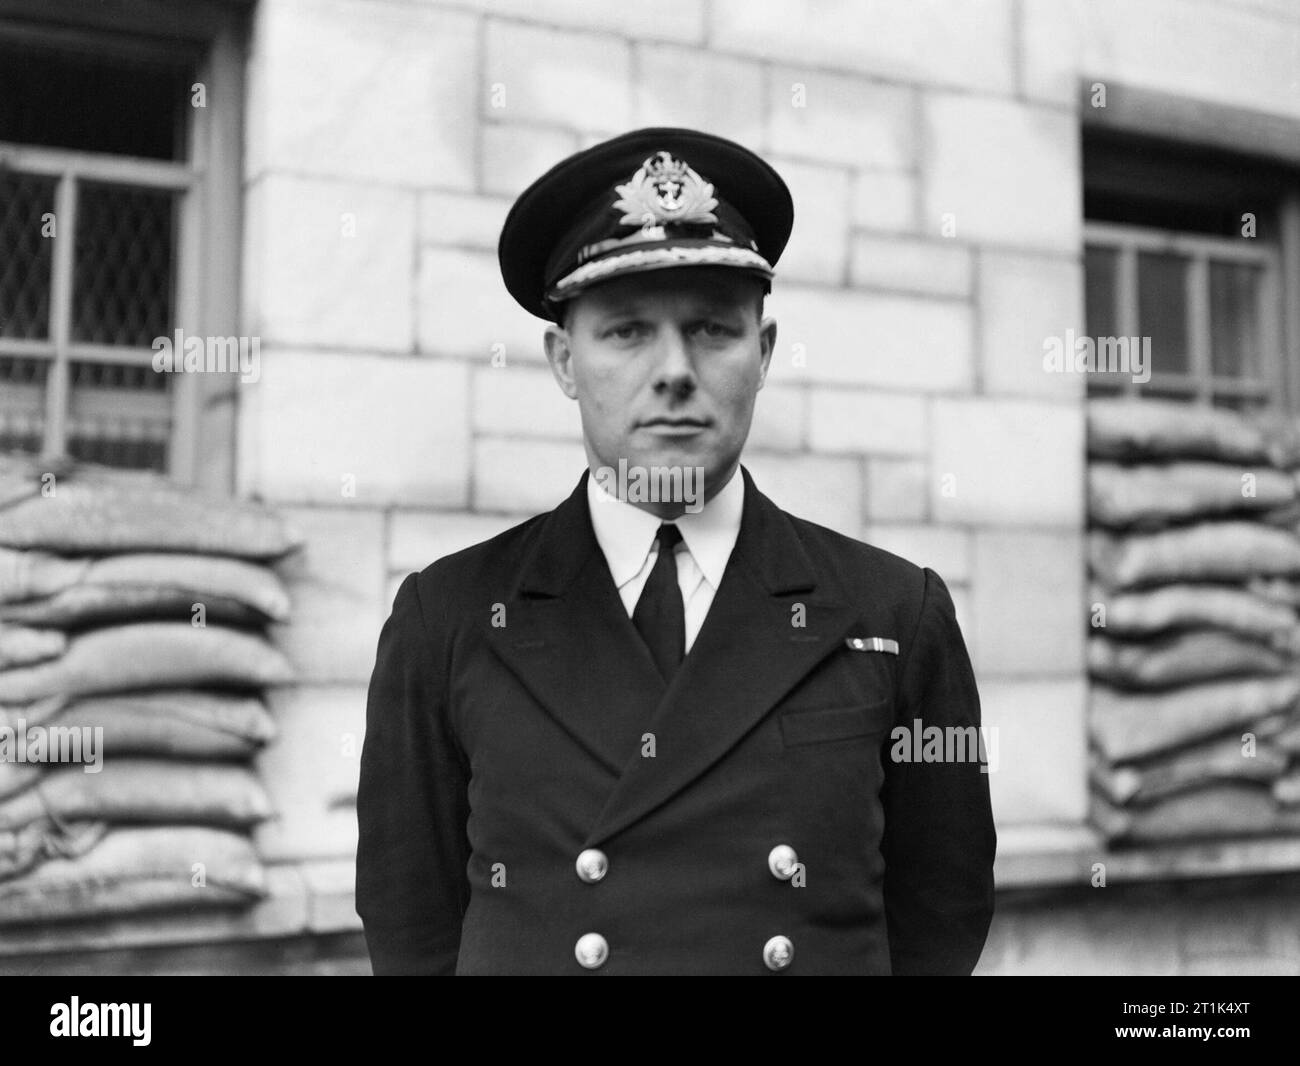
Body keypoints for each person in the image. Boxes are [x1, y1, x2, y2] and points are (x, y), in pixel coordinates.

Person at [356, 127, 996, 975]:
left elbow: (941, 916)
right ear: (564, 362)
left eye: (711, 330)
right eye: (626, 333)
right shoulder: (450, 617)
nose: (675, 372)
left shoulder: (894, 612)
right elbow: (413, 927)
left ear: (763, 353)